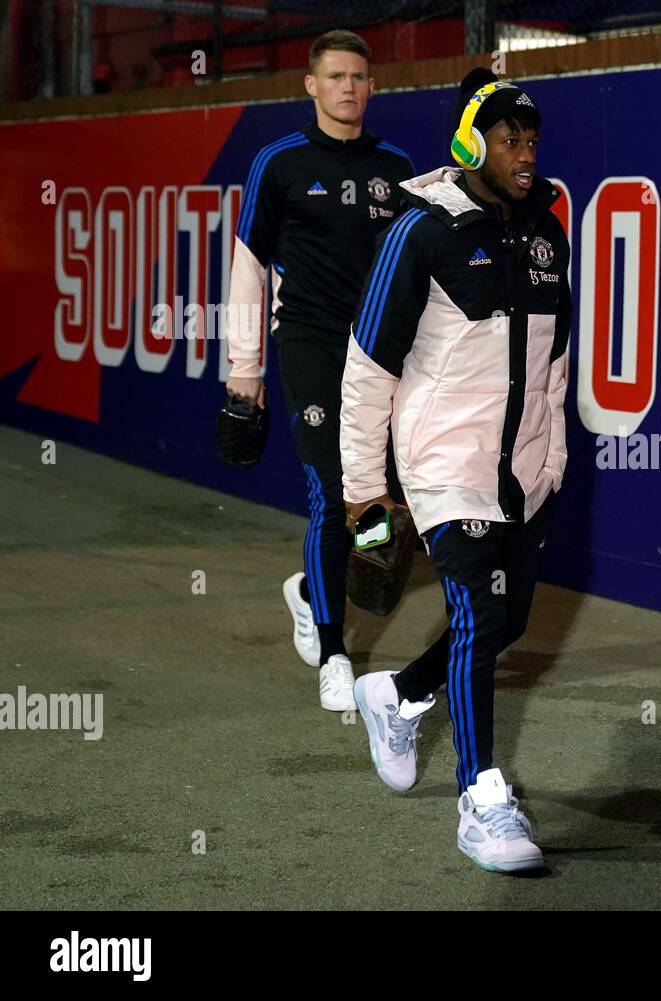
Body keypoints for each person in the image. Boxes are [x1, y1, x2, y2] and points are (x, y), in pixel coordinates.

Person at [339, 69, 570, 874]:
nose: (525, 154)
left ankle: (397, 695)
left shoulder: (549, 234)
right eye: (509, 139)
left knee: (504, 624)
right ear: (472, 143)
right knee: (478, 619)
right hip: (444, 466)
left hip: (525, 473)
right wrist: (366, 500)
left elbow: (555, 364)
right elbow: (368, 369)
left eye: (532, 140)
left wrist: (554, 457)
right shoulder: (420, 232)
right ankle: (483, 800)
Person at [224, 30, 414, 712]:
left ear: (371, 86)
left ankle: (310, 587)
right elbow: (249, 268)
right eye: (335, 76)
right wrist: (243, 369)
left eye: (360, 77)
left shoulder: (398, 168)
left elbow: (413, 273)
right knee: (330, 493)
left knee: (378, 501)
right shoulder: (277, 164)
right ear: (311, 85)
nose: (348, 88)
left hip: (378, 356)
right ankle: (336, 650)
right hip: (306, 343)